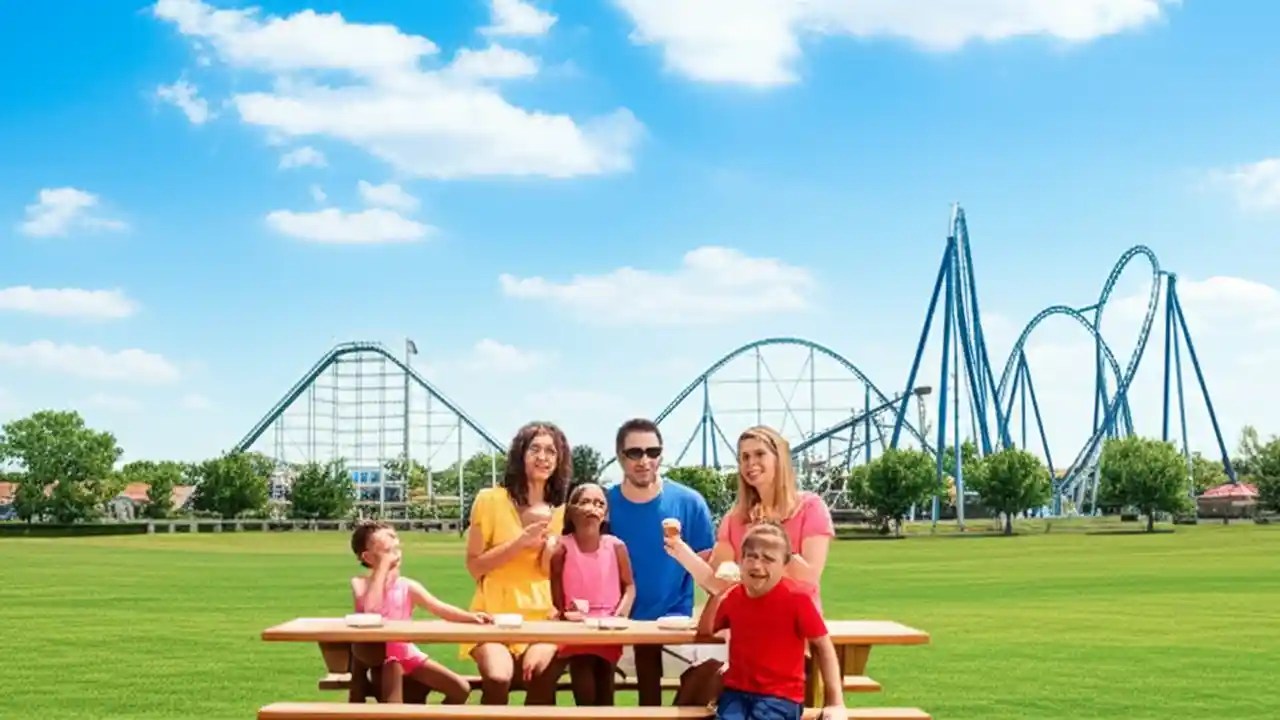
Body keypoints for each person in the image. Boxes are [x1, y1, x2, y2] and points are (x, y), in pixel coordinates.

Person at [664, 425, 836, 705]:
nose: (750, 464)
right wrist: (680, 551)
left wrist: (769, 531)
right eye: (744, 457)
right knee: (696, 682)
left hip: (791, 643)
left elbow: (808, 579)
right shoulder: (735, 519)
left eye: (759, 454)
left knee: (711, 685)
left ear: (778, 458)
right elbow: (718, 582)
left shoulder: (810, 507)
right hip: (743, 641)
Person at [604, 418, 717, 706]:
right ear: (620, 457)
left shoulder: (690, 502)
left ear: (661, 455)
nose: (645, 460)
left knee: (718, 666)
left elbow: (709, 573)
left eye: (652, 452)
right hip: (616, 621)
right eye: (635, 453)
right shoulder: (603, 504)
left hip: (675, 620)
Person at [463, 421, 571, 705]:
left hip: (541, 615)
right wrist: (519, 543)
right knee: (499, 678)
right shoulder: (489, 500)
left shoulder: (560, 512)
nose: (543, 457)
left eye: (551, 451)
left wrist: (549, 552)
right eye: (535, 449)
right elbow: (474, 566)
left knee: (540, 675)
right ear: (520, 455)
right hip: (491, 613)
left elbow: (548, 573)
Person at [698, 522, 846, 720]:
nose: (757, 565)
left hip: (780, 697)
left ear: (784, 565)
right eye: (751, 557)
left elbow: (823, 646)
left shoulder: (797, 599)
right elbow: (706, 630)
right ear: (741, 561)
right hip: (736, 693)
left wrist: (835, 702)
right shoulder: (733, 597)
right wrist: (718, 592)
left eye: (768, 559)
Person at [349, 520, 491, 704]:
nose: (394, 555)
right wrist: (383, 566)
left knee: (460, 689)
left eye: (396, 548)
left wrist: (470, 617)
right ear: (368, 558)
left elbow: (439, 608)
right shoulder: (361, 584)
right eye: (386, 551)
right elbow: (372, 608)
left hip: (406, 653)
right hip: (382, 657)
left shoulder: (407, 586)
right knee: (394, 704)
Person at [546, 481, 637, 706]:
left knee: (606, 688)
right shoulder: (562, 547)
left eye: (599, 504)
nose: (592, 508)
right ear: (571, 511)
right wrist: (561, 613)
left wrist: (621, 614)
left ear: (605, 514)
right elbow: (555, 588)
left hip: (609, 628)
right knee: (584, 683)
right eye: (585, 502)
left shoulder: (616, 546)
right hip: (576, 630)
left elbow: (630, 587)